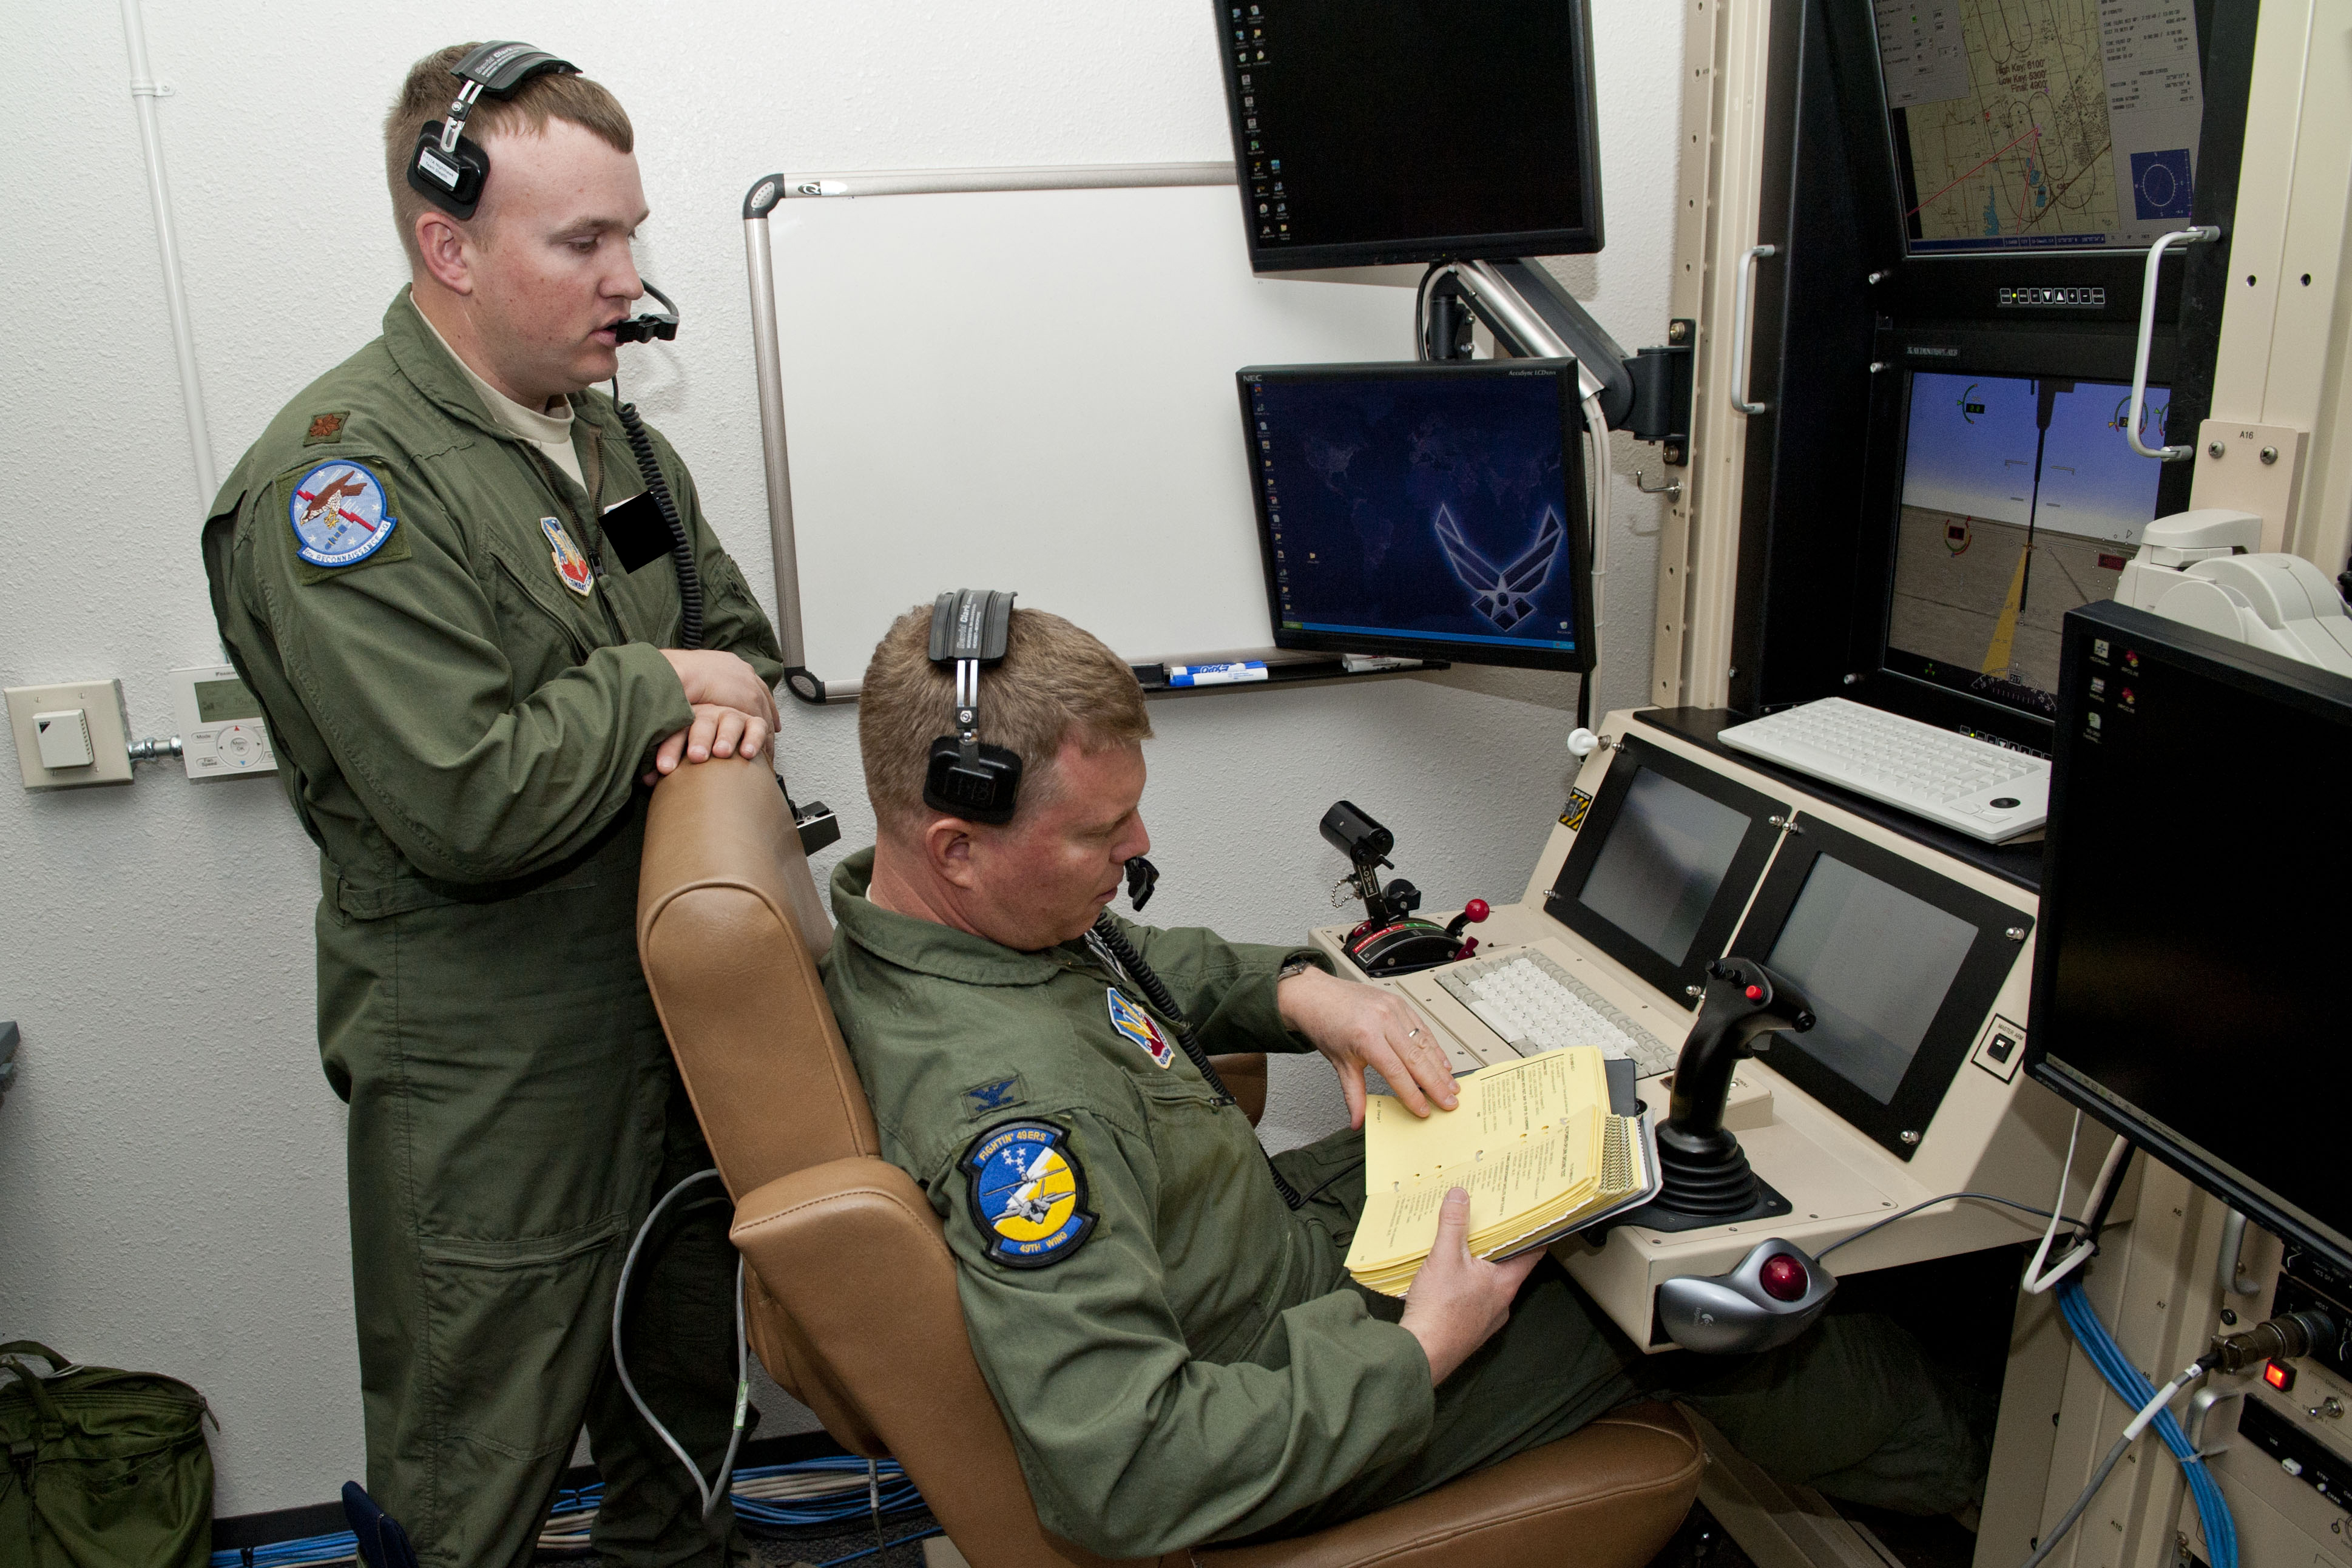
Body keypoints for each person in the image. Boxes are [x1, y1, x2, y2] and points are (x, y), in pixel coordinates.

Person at [822, 604, 1990, 1556]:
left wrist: (1304, 992)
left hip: (1284, 1257)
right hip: (1290, 1382)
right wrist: (1423, 1346)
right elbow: (1129, 1471)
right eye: (1101, 833)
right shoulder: (1024, 1126)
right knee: (1691, 1299)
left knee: (1595, 1167)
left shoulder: (935, 924)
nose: (1135, 853)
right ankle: (1987, 1482)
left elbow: (1132, 967)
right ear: (960, 847)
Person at [200, 44, 782, 1568]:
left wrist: (700, 681)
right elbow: (470, 792)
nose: (627, 277)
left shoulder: (606, 439)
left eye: (630, 234)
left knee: (684, 1430)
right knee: (480, 1480)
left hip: (669, 1027)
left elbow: (741, 637)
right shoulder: (344, 486)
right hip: (493, 1081)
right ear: (447, 246)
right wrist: (661, 692)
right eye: (583, 242)